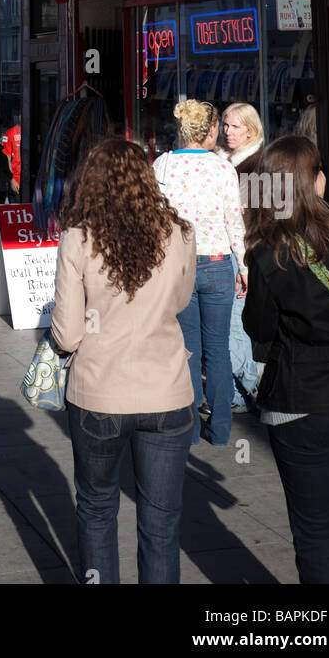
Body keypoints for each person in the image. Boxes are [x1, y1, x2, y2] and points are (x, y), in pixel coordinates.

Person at [52, 137, 196, 584]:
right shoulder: (180, 233)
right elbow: (180, 300)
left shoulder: (77, 237)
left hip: (98, 393)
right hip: (167, 390)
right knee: (161, 523)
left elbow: (68, 333)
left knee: (96, 510)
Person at [243, 136, 329, 585]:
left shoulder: (267, 254)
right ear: (317, 183)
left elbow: (259, 330)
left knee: (316, 530)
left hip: (301, 404)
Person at [153, 99, 246, 446]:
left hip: (178, 265)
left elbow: (155, 218)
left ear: (181, 131)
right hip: (218, 262)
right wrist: (244, 265)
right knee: (218, 349)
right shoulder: (223, 169)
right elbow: (233, 221)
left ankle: (189, 429)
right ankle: (220, 430)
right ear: (210, 132)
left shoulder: (162, 165)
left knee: (187, 347)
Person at [219, 103, 264, 411]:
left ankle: (254, 387)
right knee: (228, 326)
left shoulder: (259, 164)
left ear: (250, 129)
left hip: (246, 254)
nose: (228, 131)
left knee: (234, 326)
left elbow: (269, 214)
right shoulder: (221, 161)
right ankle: (238, 395)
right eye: (225, 125)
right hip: (222, 252)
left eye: (235, 126)